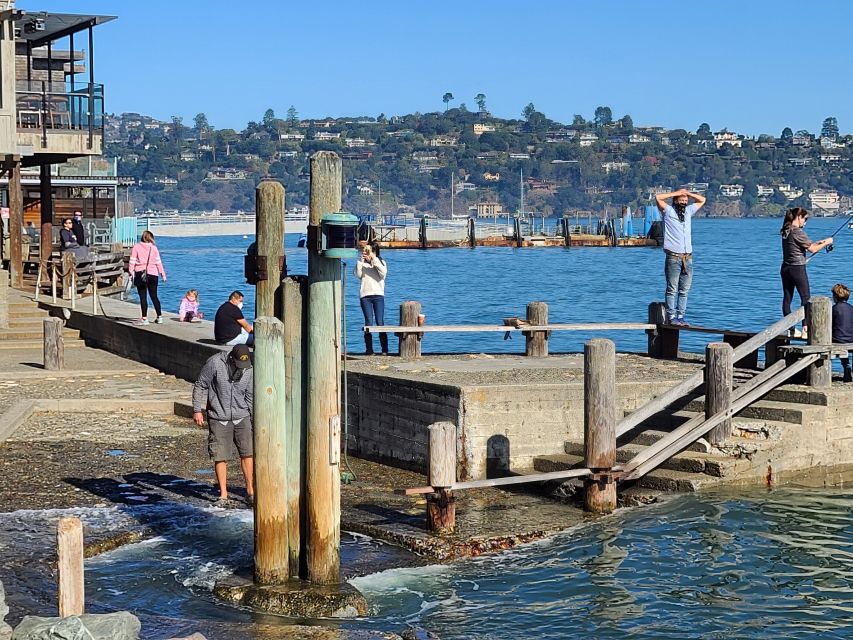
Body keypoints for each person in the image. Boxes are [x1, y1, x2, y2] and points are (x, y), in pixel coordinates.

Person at [192, 344, 255, 505]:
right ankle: (223, 494)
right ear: (231, 359)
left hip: (242, 415)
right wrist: (197, 410)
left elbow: (249, 395)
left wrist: (253, 418)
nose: (241, 369)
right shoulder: (214, 363)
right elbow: (200, 385)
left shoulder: (248, 369)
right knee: (220, 455)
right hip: (219, 416)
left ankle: (250, 491)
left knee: (247, 453)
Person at [655, 188, 706, 326]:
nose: (684, 201)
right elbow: (658, 197)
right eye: (681, 199)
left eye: (685, 200)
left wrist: (688, 193)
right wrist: (676, 193)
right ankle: (671, 316)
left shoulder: (688, 211)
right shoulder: (668, 211)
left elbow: (702, 200)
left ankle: (681, 316)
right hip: (673, 257)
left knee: (684, 290)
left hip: (687, 258)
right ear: (676, 200)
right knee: (672, 288)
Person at [780, 207, 833, 339]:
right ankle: (805, 329)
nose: (806, 222)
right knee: (806, 298)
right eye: (805, 219)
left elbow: (802, 246)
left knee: (787, 298)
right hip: (797, 269)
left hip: (786, 268)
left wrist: (819, 242)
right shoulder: (798, 232)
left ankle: (790, 329)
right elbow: (813, 249)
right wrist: (827, 241)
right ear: (799, 217)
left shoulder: (786, 230)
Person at [354, 241, 388, 355]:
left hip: (378, 295)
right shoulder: (362, 263)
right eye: (365, 250)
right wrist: (360, 261)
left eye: (369, 251)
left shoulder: (381, 262)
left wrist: (374, 259)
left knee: (380, 322)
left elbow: (383, 274)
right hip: (365, 296)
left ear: (374, 251)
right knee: (368, 322)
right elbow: (357, 275)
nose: (366, 253)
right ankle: (369, 350)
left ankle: (384, 349)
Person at [129, 229, 167, 325]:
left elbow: (132, 261)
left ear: (142, 237)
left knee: (143, 297)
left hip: (140, 274)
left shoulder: (136, 247)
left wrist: (130, 273)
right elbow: (159, 262)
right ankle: (159, 317)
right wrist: (163, 274)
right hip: (153, 274)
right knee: (154, 296)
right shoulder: (154, 248)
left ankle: (144, 318)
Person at [831, 283, 853, 383]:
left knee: (836, 341)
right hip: (851, 339)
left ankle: (846, 365)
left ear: (835, 296)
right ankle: (848, 367)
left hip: (838, 339)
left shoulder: (833, 309)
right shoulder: (851, 309)